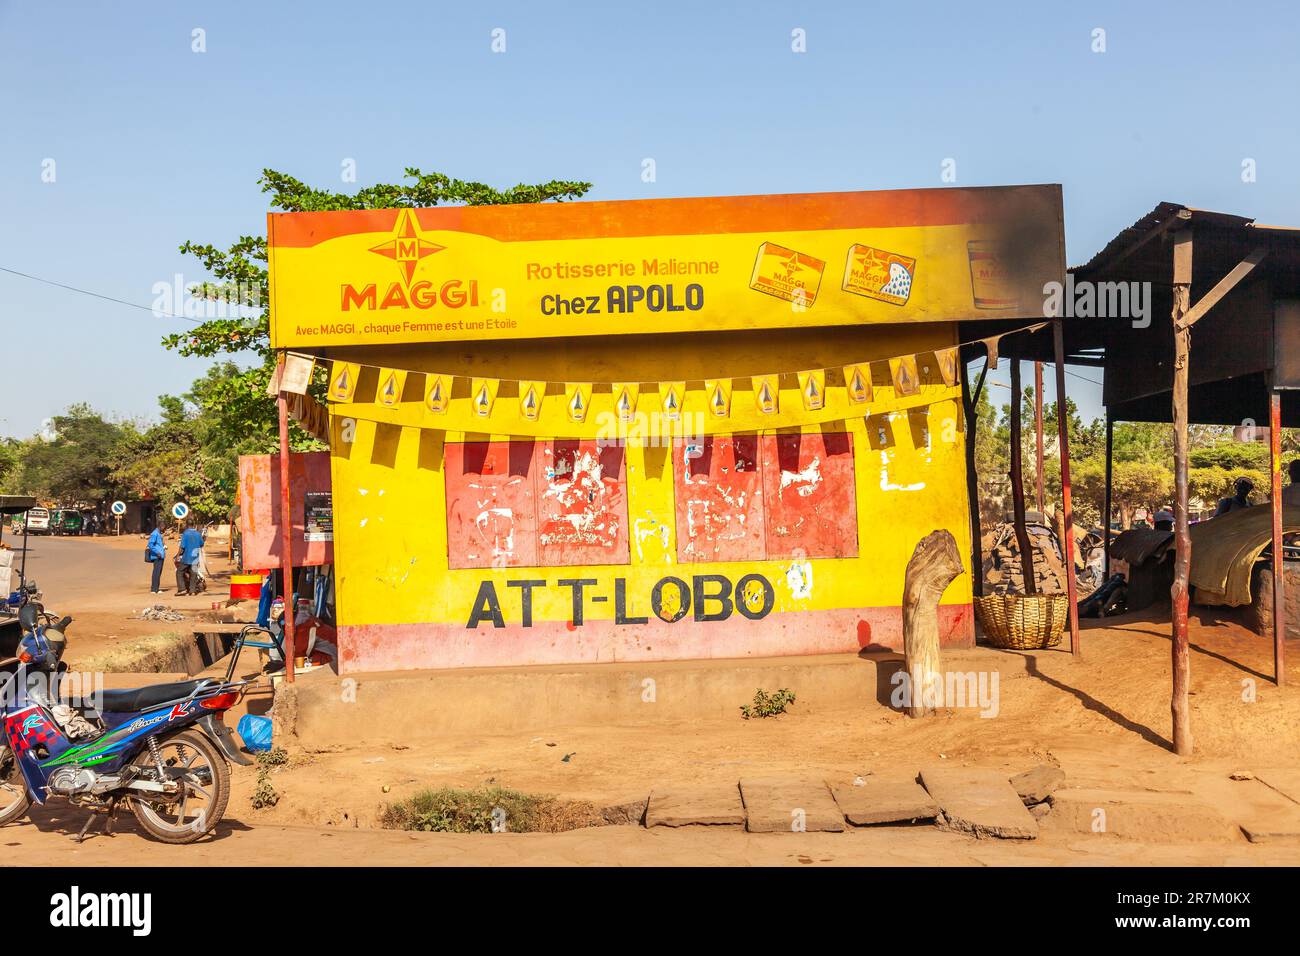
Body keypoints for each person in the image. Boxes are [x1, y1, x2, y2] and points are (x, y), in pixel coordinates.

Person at [176, 521, 205, 595]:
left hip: (186, 557)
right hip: (195, 558)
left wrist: (178, 555)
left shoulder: (186, 533)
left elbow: (182, 547)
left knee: (179, 572)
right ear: (193, 525)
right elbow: (202, 544)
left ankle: (182, 589)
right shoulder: (198, 534)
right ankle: (192, 591)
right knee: (193, 574)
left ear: (186, 525)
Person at [146, 524, 166, 593]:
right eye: (164, 527)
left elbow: (158, 544)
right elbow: (150, 544)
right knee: (156, 573)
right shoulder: (154, 534)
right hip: (157, 556)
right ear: (161, 526)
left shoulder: (158, 533)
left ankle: (156, 588)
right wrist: (157, 552)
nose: (164, 529)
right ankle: (154, 589)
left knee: (158, 573)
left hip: (160, 556)